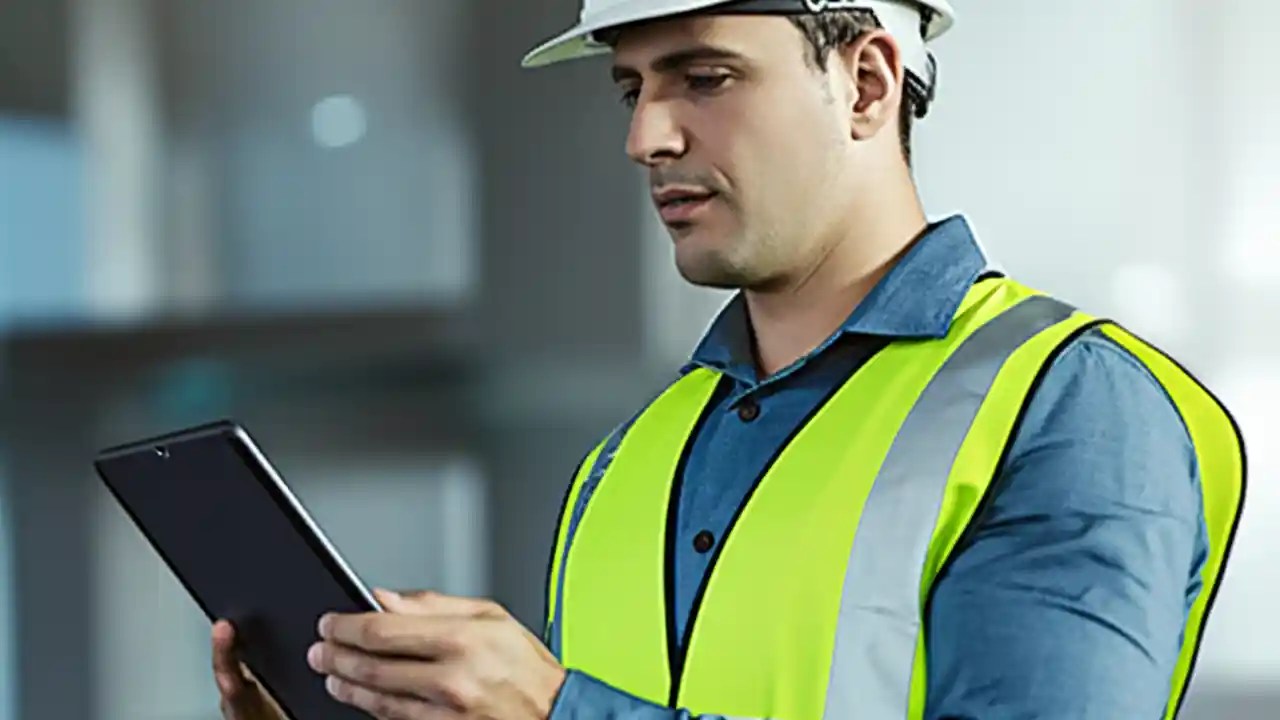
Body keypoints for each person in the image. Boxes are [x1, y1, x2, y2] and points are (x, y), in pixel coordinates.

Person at [212, 1, 1247, 718]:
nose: (646, 137)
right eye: (630, 90)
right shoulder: (631, 458)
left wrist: (553, 711)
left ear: (866, 84)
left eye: (704, 78)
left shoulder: (1069, 407)